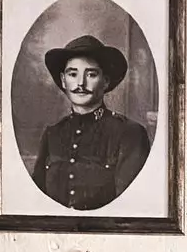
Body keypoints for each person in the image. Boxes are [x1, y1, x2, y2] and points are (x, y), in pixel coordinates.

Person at [32, 37, 151, 211]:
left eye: (91, 74)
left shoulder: (130, 134)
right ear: (63, 80)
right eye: (73, 74)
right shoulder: (53, 134)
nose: (81, 83)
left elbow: (130, 208)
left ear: (106, 81)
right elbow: (37, 203)